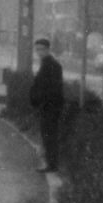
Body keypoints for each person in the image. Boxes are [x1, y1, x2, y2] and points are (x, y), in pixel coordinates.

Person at [29, 37, 65, 174]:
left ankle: (52, 165)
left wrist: (42, 101)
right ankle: (51, 163)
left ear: (48, 50)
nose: (39, 52)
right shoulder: (45, 64)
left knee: (50, 136)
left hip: (51, 107)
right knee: (47, 136)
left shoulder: (52, 65)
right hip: (46, 106)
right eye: (37, 49)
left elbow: (52, 88)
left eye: (42, 49)